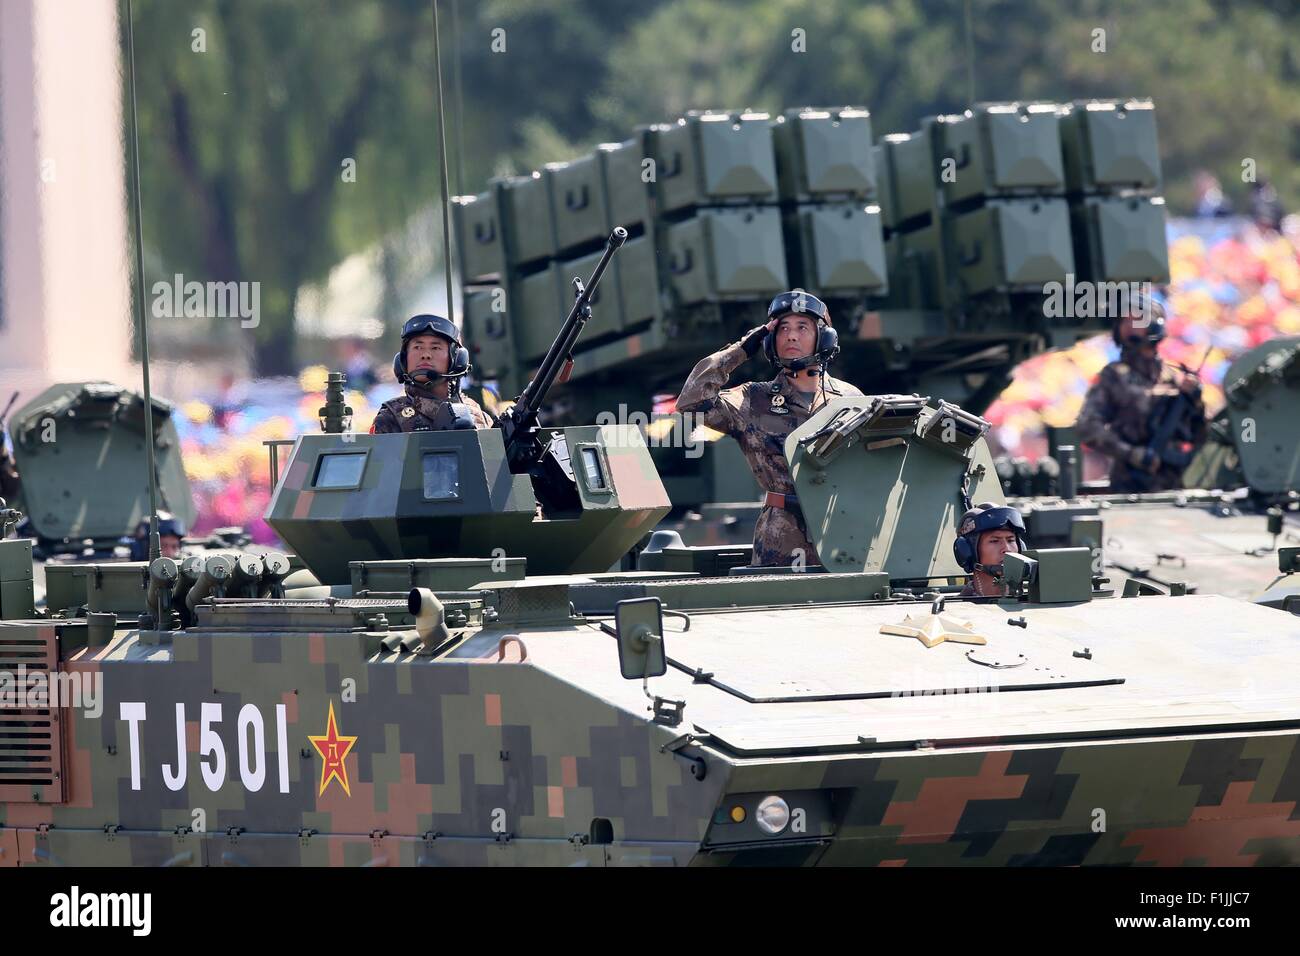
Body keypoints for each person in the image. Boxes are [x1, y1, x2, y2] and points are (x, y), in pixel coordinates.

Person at [676, 289, 862, 568]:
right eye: (783, 328)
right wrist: (741, 350)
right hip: (780, 538)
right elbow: (692, 401)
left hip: (844, 531)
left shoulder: (851, 399)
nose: (791, 336)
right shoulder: (753, 400)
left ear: (823, 338)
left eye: (802, 327)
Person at [1075, 295, 1206, 493]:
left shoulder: (1176, 379)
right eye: (1124, 321)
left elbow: (1202, 435)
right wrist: (1131, 454)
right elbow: (1087, 427)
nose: (1128, 326)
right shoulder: (1113, 376)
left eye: (1136, 320)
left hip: (1177, 486)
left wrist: (1195, 401)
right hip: (1131, 486)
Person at [370, 314, 491, 434]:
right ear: (403, 359)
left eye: (435, 348)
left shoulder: (475, 412)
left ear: (457, 360)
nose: (425, 355)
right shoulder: (390, 418)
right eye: (418, 347)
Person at [954, 503, 1028, 598]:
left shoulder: (1037, 599)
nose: (1007, 549)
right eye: (994, 541)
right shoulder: (955, 609)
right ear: (969, 551)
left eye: (1010, 540)